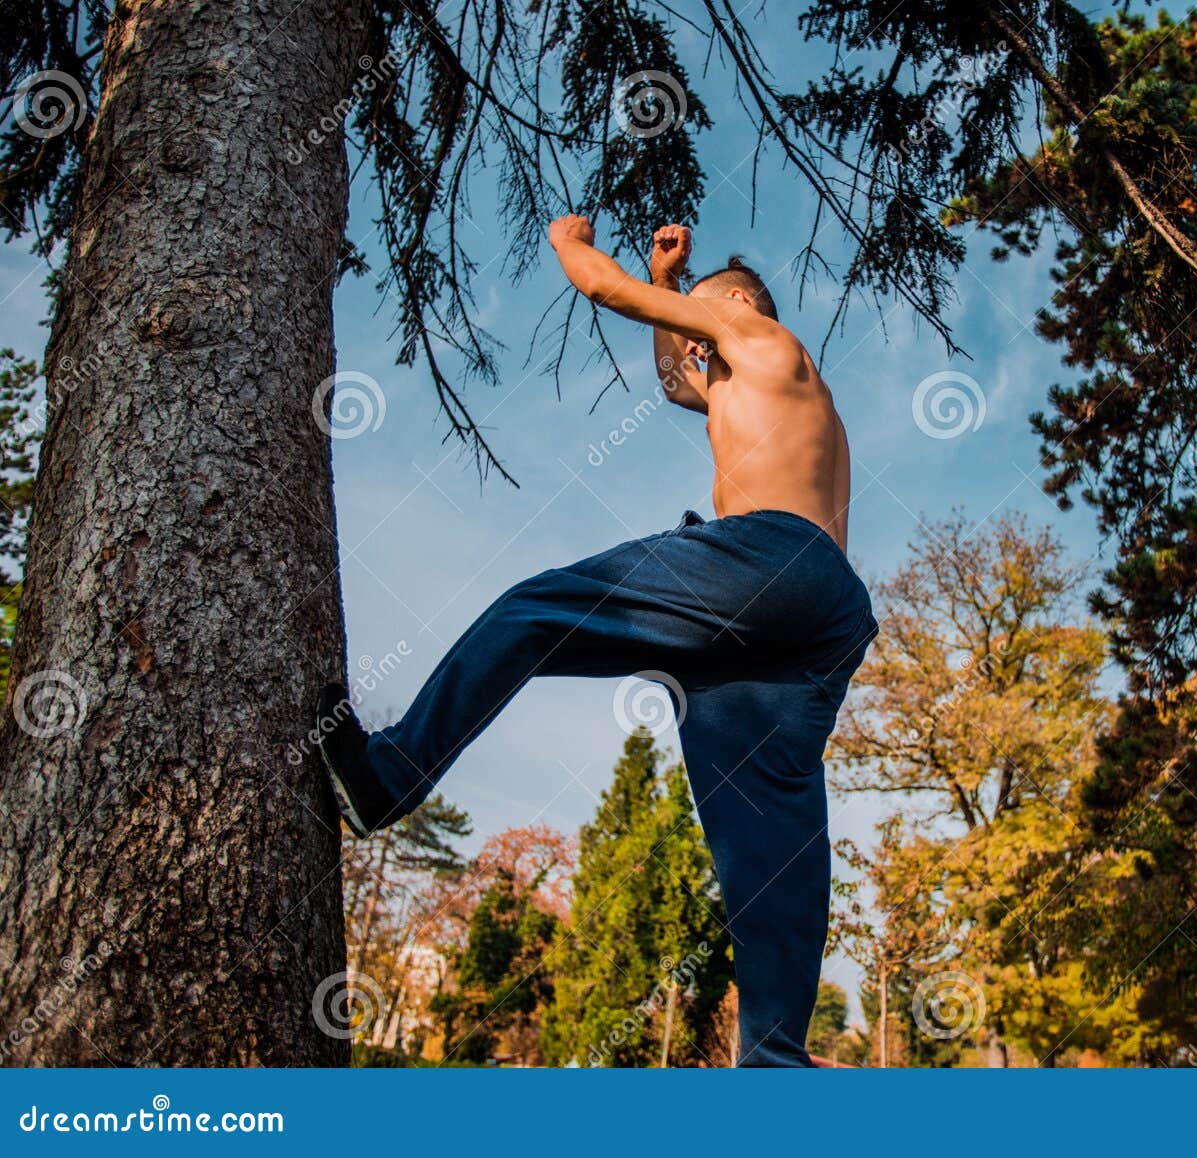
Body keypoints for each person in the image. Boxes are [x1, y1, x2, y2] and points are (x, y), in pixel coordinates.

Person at [315, 215, 877, 1067]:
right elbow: (675, 386)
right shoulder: (775, 389)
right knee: (767, 830)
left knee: (536, 611)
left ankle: (387, 776)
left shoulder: (753, 327)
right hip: (817, 614)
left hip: (772, 559)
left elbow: (605, 290)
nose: (690, 338)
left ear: (729, 306)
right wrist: (667, 284)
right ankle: (774, 1061)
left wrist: (573, 245)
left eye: (694, 316)